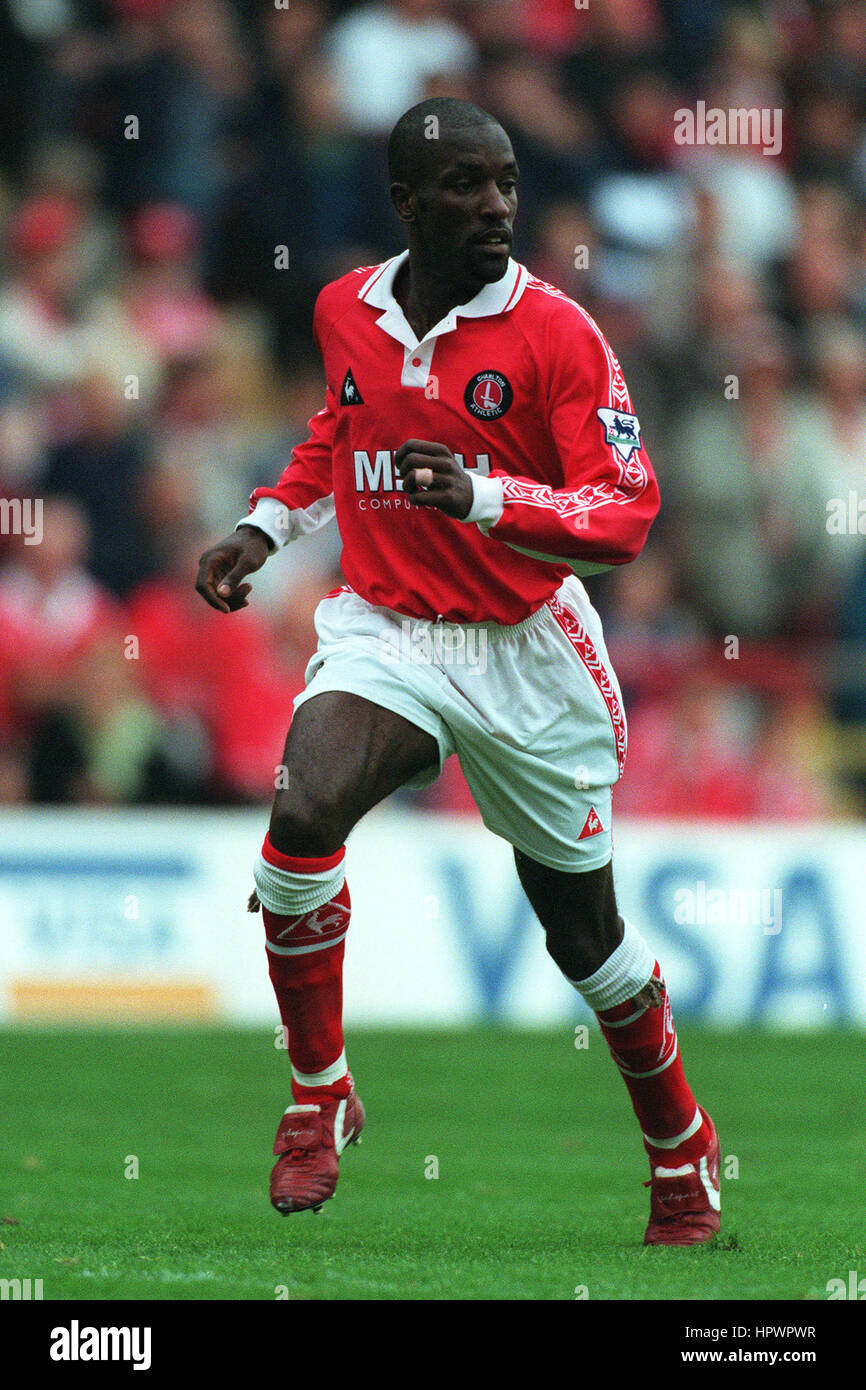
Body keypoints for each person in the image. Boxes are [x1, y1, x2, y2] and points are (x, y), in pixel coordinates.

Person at [196, 98, 720, 1246]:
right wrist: (267, 524)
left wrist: (483, 497)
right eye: (465, 185)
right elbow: (339, 430)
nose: (494, 206)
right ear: (404, 203)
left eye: (506, 183)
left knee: (583, 939)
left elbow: (624, 512)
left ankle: (680, 1141)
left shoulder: (559, 335)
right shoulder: (345, 308)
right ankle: (318, 1092)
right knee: (299, 819)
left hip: (524, 649)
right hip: (388, 629)